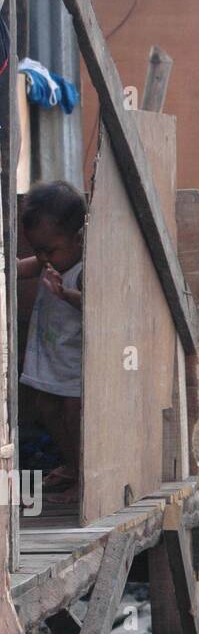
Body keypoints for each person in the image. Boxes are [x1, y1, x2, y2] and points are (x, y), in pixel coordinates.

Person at [18, 180, 85, 504]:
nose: (44, 257)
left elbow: (96, 305)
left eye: (50, 250)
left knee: (75, 418)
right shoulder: (48, 261)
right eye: (37, 250)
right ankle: (72, 465)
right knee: (44, 407)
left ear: (78, 238)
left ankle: (83, 475)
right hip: (50, 359)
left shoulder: (84, 269)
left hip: (75, 366)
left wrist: (66, 294)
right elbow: (20, 269)